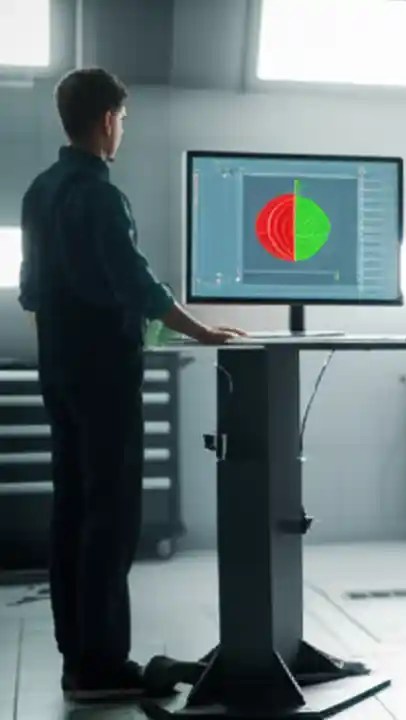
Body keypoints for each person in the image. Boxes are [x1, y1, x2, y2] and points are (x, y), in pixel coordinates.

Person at [17, 67, 245, 701]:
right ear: (107, 120)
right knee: (112, 517)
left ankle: (77, 658)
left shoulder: (39, 191)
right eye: (123, 120)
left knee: (72, 511)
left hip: (58, 372)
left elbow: (36, 290)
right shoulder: (99, 194)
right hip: (104, 379)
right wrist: (200, 333)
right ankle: (103, 667)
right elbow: (137, 285)